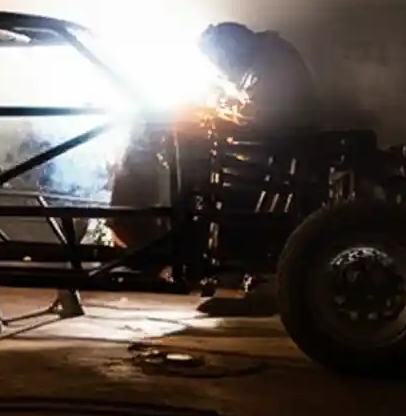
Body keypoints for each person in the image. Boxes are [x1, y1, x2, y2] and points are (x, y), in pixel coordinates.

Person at [108, 22, 320, 252]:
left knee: (187, 157)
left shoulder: (270, 62)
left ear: (229, 49)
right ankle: (157, 229)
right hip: (275, 144)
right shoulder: (266, 54)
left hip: (278, 149)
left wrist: (218, 113)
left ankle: (180, 238)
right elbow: (254, 108)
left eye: (218, 61)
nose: (221, 68)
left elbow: (263, 116)